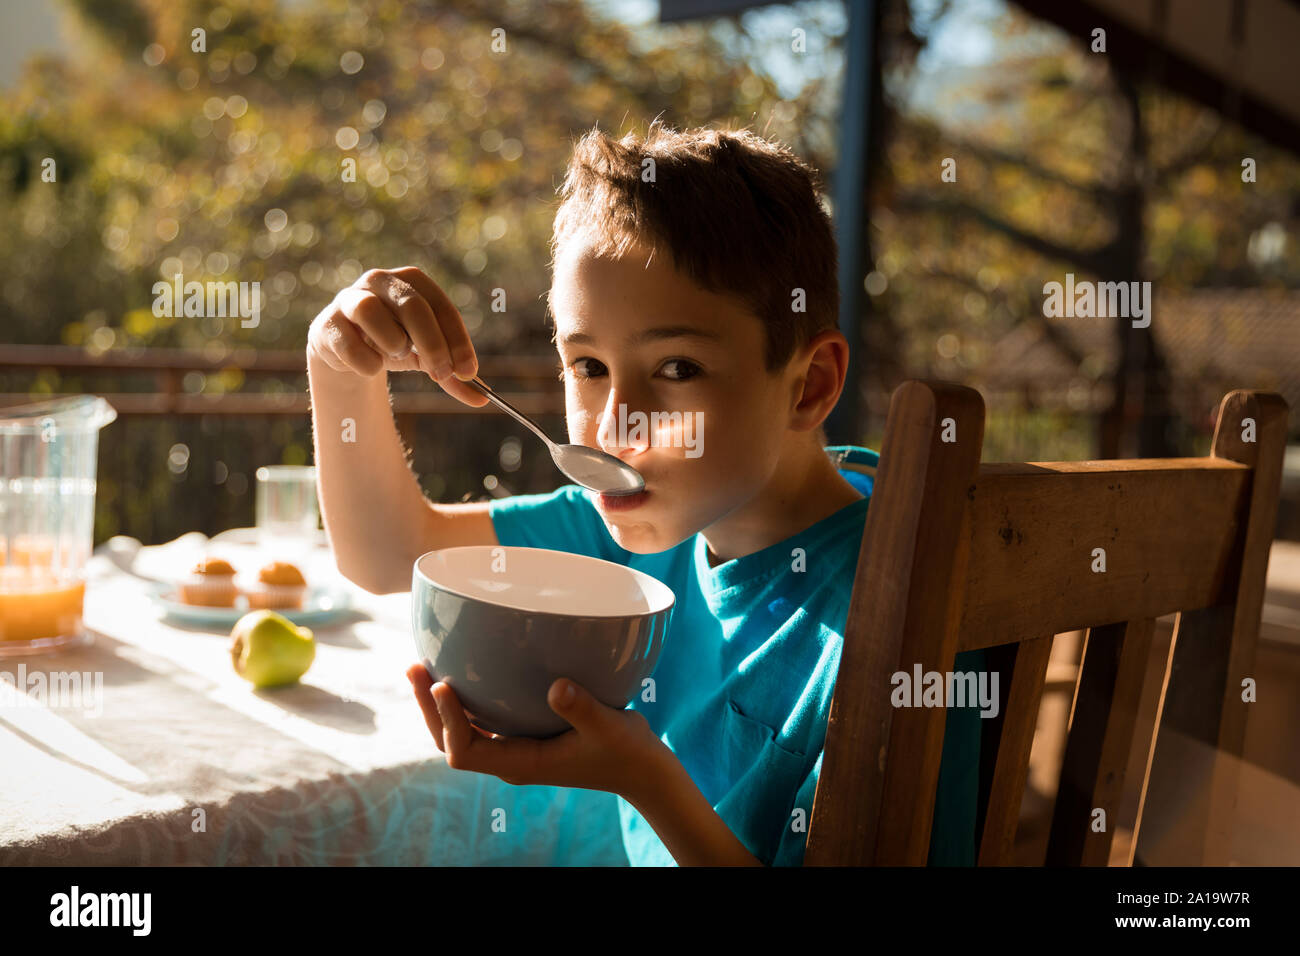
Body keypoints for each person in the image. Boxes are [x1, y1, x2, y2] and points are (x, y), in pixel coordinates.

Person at [306, 119, 985, 866]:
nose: (615, 427)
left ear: (809, 386)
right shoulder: (654, 522)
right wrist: (341, 368)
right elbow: (386, 552)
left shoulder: (897, 611)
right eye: (588, 367)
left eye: (678, 369)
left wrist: (643, 781)